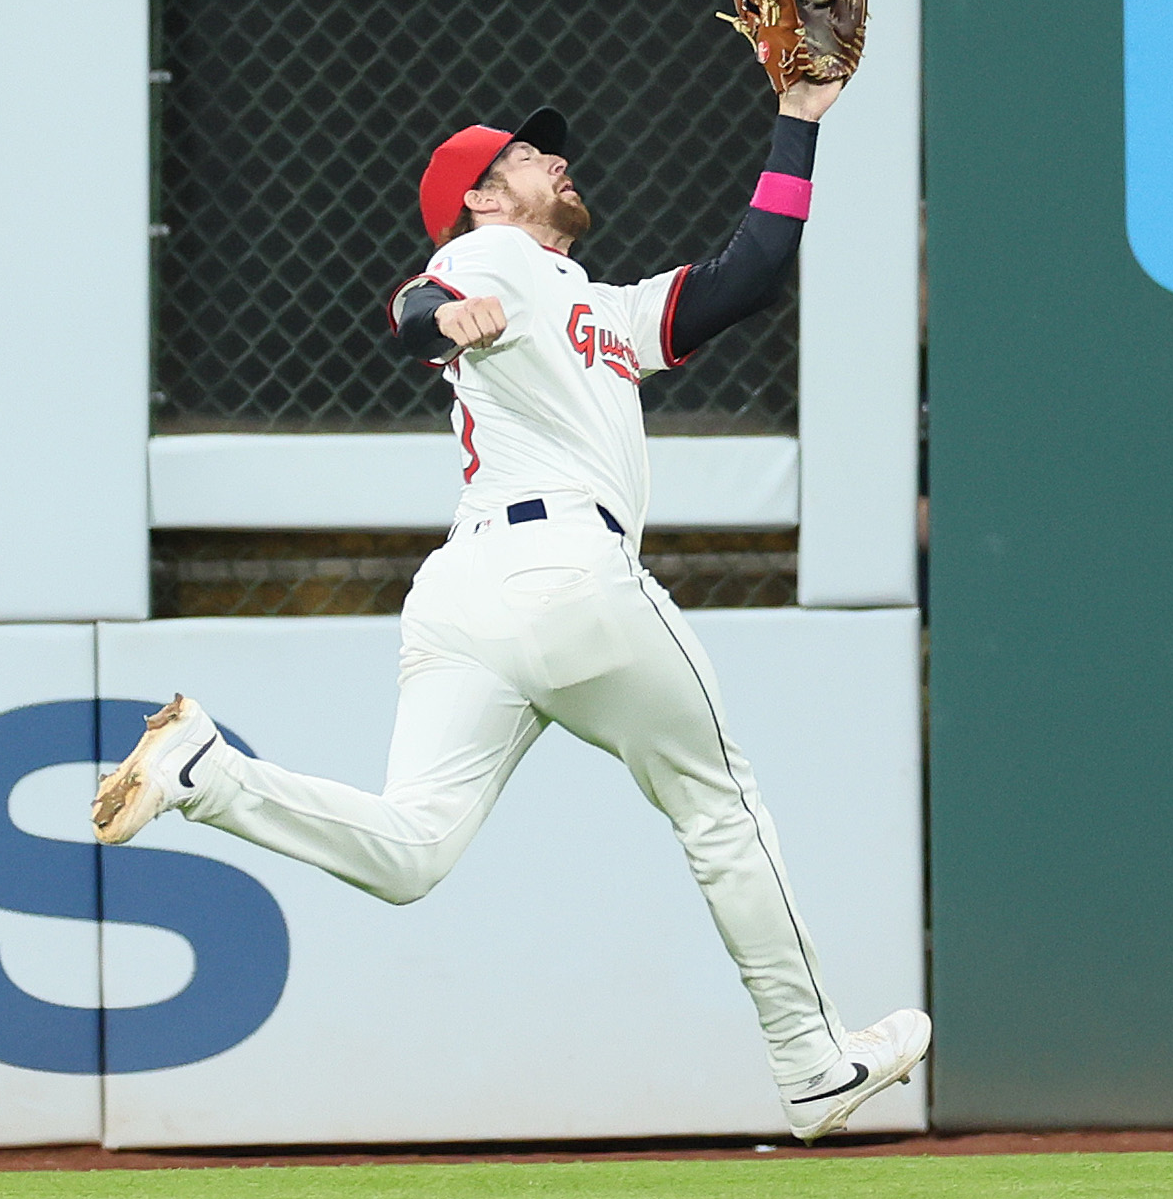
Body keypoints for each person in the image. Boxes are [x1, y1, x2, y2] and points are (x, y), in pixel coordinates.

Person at [91, 76, 930, 1142]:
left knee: (410, 852)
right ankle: (812, 1065)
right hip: (567, 569)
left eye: (543, 151)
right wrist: (446, 312)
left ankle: (204, 773)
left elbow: (753, 274)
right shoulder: (495, 257)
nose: (553, 160)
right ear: (484, 198)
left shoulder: (602, 306)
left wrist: (799, 120)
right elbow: (415, 303)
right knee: (719, 810)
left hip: (464, 598)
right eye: (527, 158)